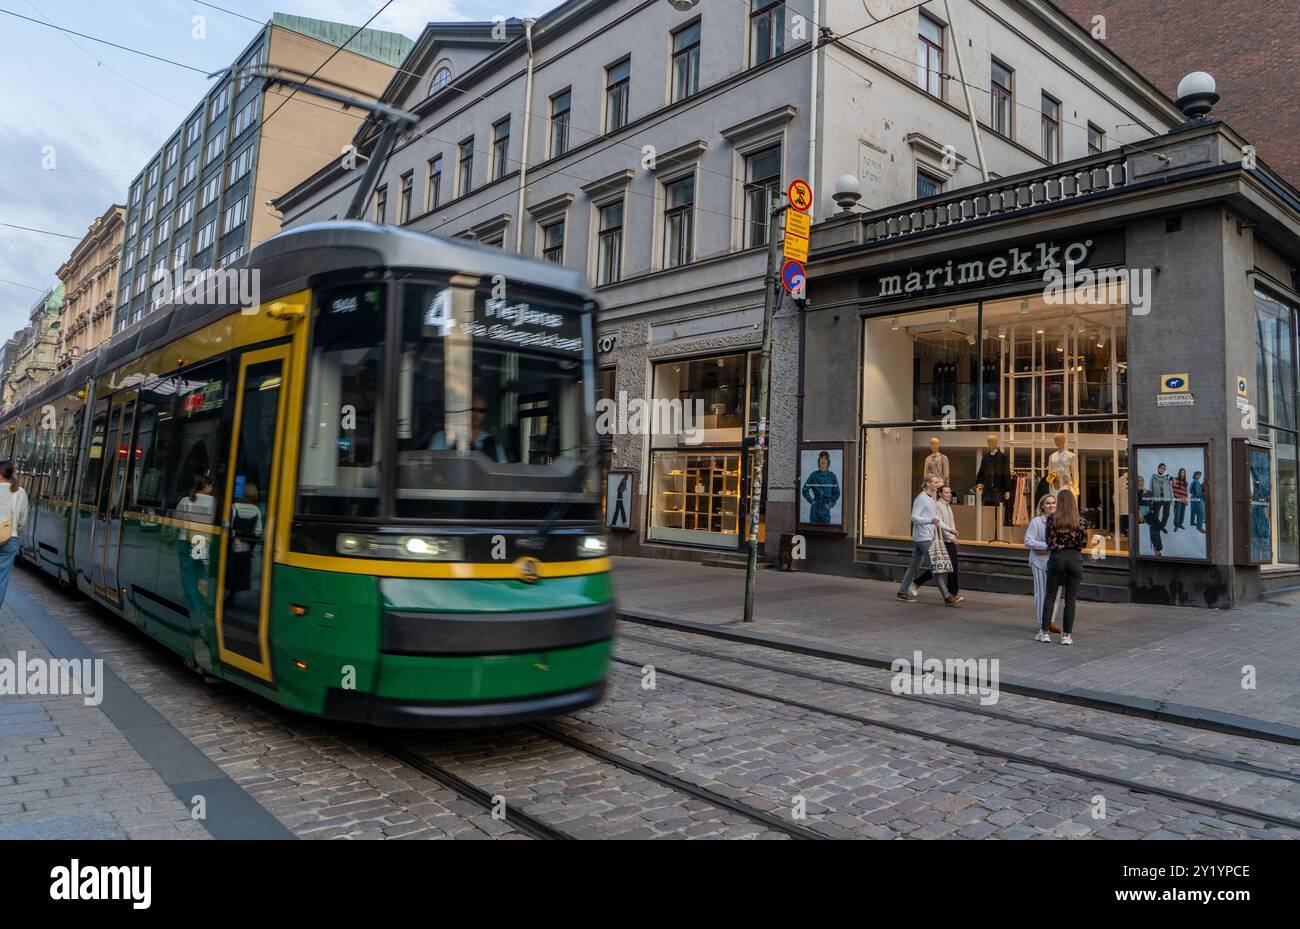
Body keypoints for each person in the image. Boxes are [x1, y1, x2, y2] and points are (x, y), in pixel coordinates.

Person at [897, 475, 961, 605]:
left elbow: (936, 519)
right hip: (923, 538)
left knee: (914, 566)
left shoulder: (931, 499)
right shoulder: (921, 499)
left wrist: (949, 529)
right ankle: (947, 596)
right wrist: (929, 521)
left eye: (938, 481)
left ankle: (902, 592)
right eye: (934, 482)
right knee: (936, 566)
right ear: (927, 484)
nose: (937, 484)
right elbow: (914, 518)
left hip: (925, 537)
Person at [1037, 489, 1088, 645]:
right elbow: (1084, 543)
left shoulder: (1052, 519)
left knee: (1050, 595)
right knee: (1070, 598)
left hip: (1056, 558)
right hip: (1074, 559)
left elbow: (1048, 540)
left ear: (1058, 503)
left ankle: (1045, 632)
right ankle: (1066, 635)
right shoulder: (1080, 520)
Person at [1024, 493, 1064, 634]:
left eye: (1053, 503)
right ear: (1042, 506)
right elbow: (1028, 541)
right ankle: (1043, 622)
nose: (1051, 505)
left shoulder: (1060, 521)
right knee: (1042, 592)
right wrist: (1047, 545)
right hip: (1039, 562)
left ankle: (1051, 621)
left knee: (1056, 593)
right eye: (1048, 503)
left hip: (1057, 562)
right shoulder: (1036, 522)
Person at [429, 392, 508, 463]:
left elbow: (504, 475)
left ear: (485, 414)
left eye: (481, 410)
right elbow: (431, 469)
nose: (476, 414)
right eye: (472, 409)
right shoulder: (442, 438)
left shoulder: (495, 445)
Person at [914, 484, 960, 596]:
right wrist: (951, 536)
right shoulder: (938, 506)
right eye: (946, 493)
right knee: (941, 566)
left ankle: (952, 592)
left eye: (950, 493)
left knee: (948, 565)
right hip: (941, 540)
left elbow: (951, 523)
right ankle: (951, 593)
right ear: (940, 494)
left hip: (949, 539)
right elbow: (940, 523)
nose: (949, 495)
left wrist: (953, 535)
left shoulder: (948, 506)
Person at [226, 483, 263, 606]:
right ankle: (233, 595)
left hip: (232, 546)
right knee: (240, 573)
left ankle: (227, 595)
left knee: (230, 571)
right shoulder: (257, 510)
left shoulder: (234, 507)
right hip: (246, 549)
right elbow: (258, 531)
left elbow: (227, 525)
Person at [0, 466, 30, 609]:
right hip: (10, 539)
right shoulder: (20, 492)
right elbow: (22, 521)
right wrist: (14, 532)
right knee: (1, 578)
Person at [801, 451, 841, 524]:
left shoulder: (832, 476)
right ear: (819, 461)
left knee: (826, 531)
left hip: (825, 510)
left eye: (825, 458)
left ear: (828, 462)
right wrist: (811, 501)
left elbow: (837, 493)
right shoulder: (813, 475)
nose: (823, 460)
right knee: (813, 530)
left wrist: (830, 504)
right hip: (815, 510)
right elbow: (804, 490)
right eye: (821, 458)